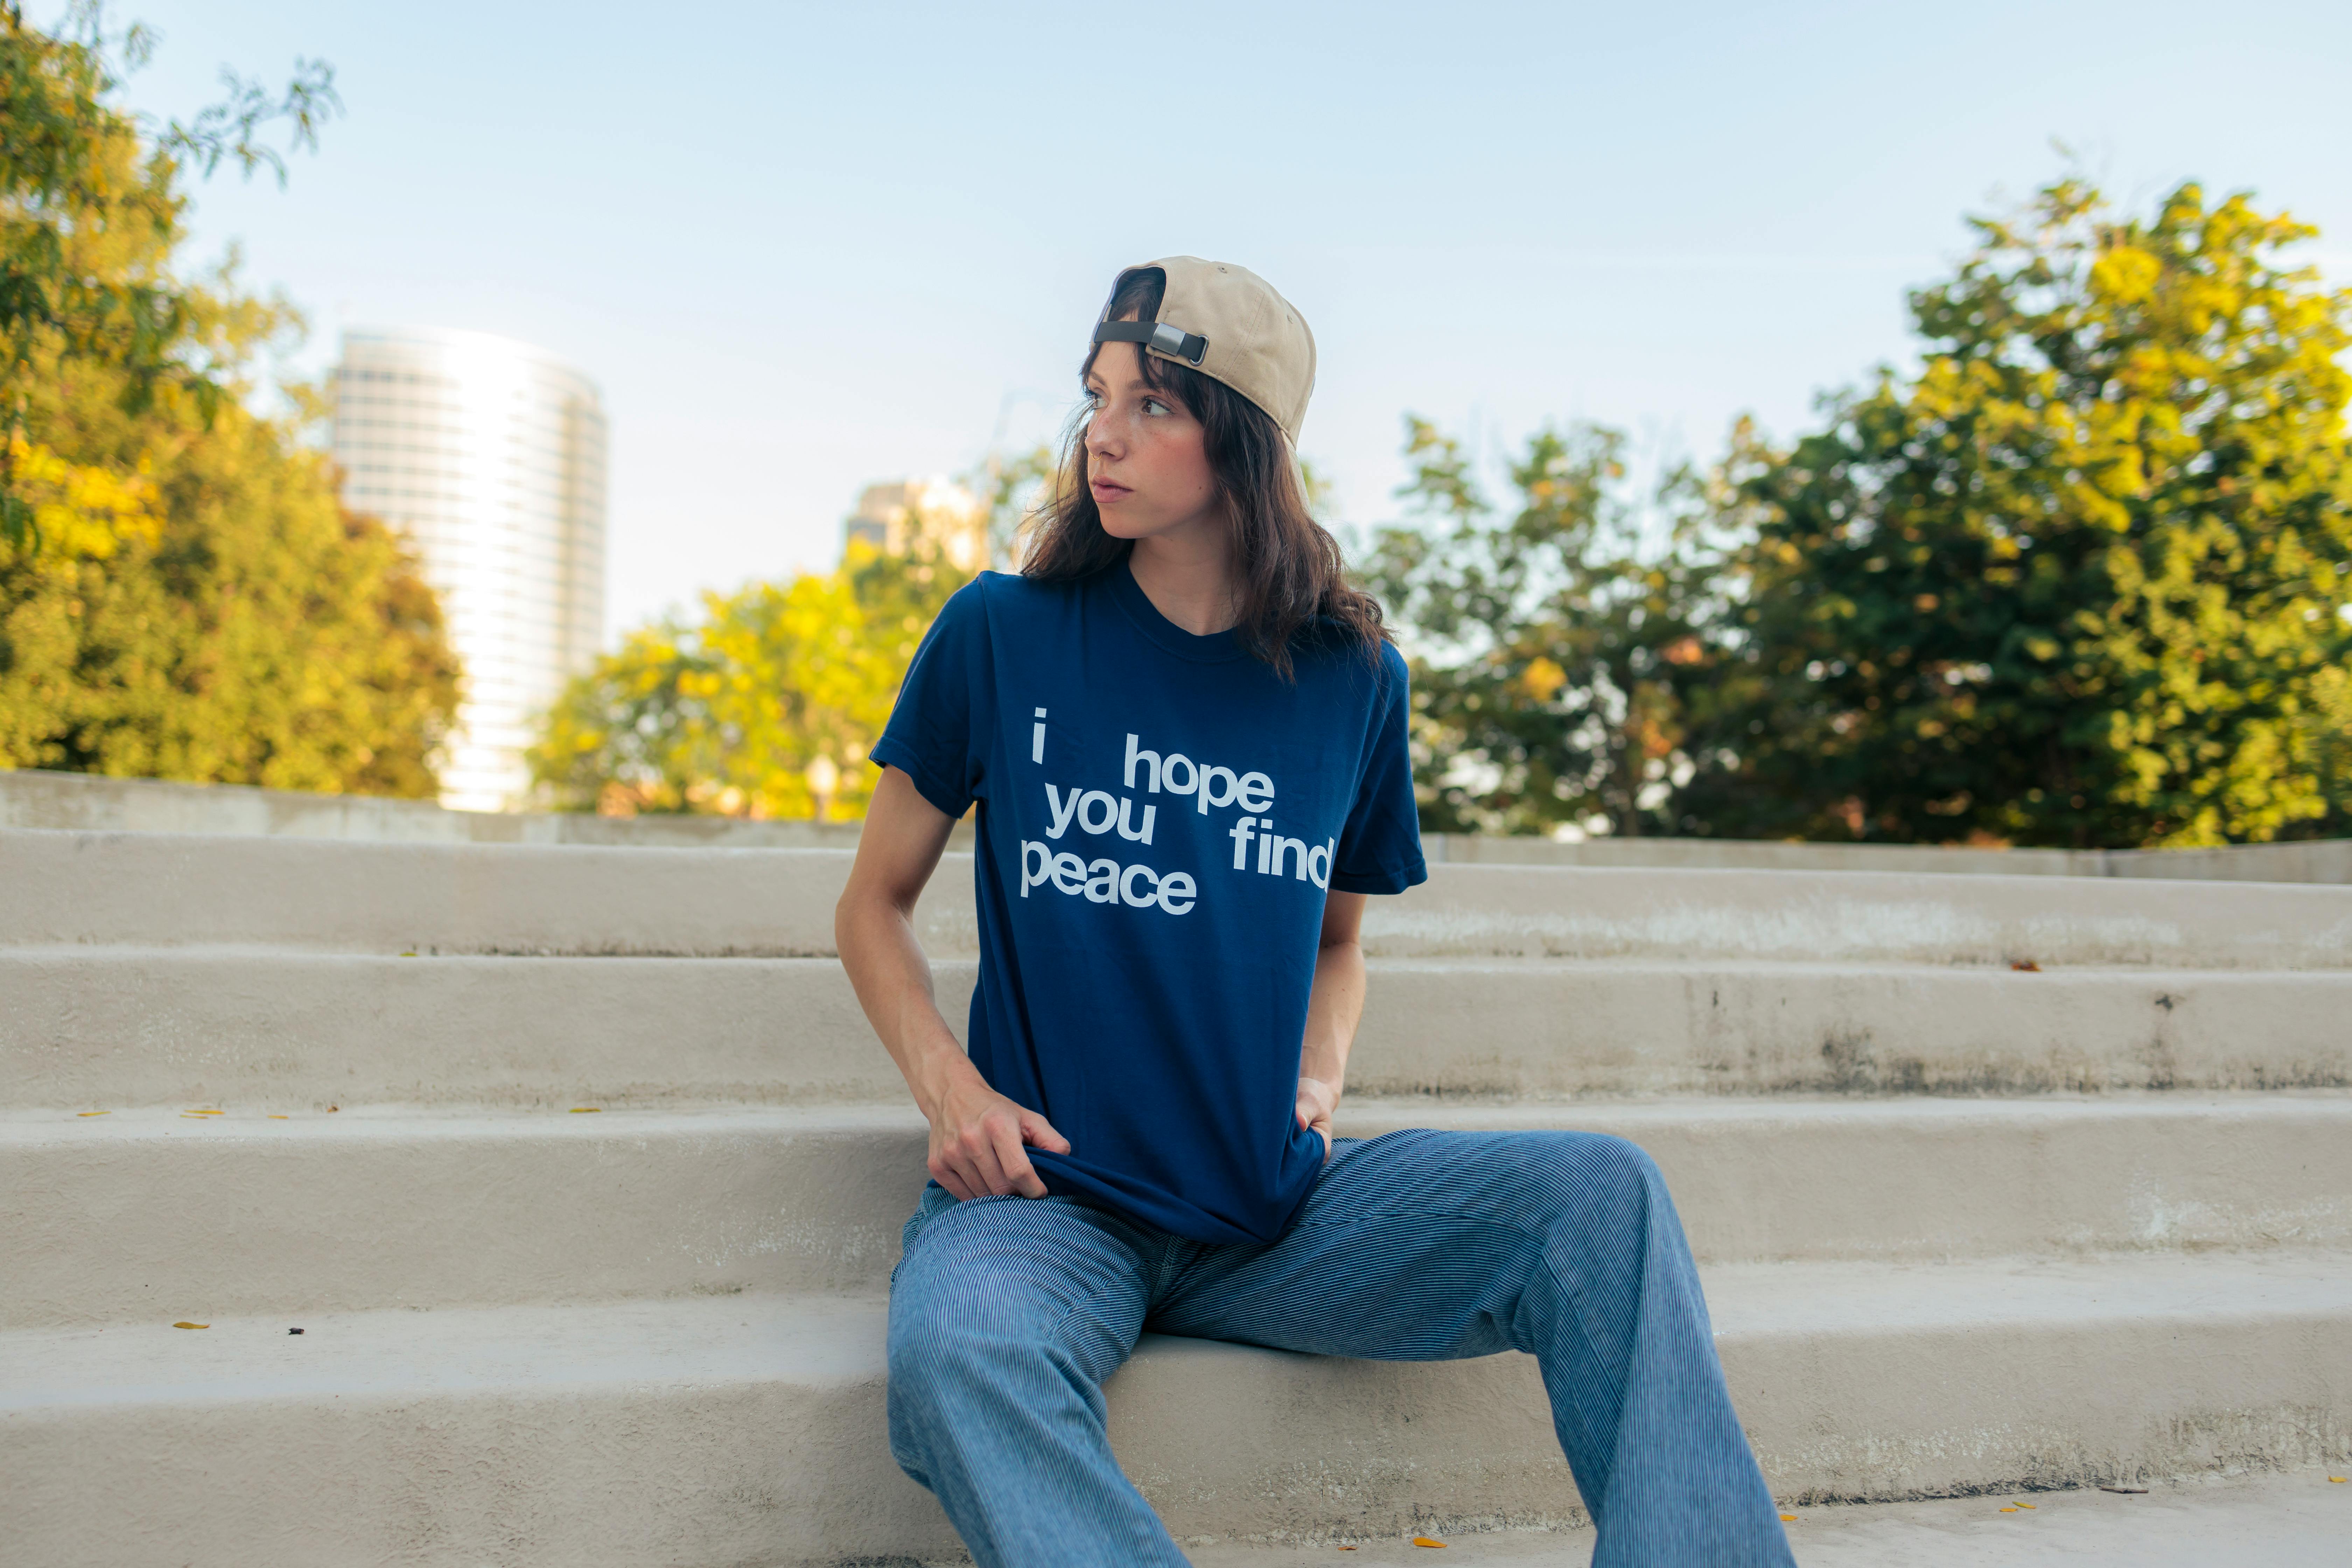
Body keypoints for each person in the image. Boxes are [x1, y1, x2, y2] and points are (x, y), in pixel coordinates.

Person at [834, 257, 1795, 1568]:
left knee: (1603, 1197)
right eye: (1096, 397)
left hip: (1275, 1212)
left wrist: (1319, 1070)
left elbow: (1340, 942)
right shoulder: (1001, 632)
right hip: (1045, 1203)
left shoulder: (1354, 682)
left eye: (1155, 405)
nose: (1100, 437)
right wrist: (951, 1089)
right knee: (962, 1353)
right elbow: (873, 907)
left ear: (1245, 445)